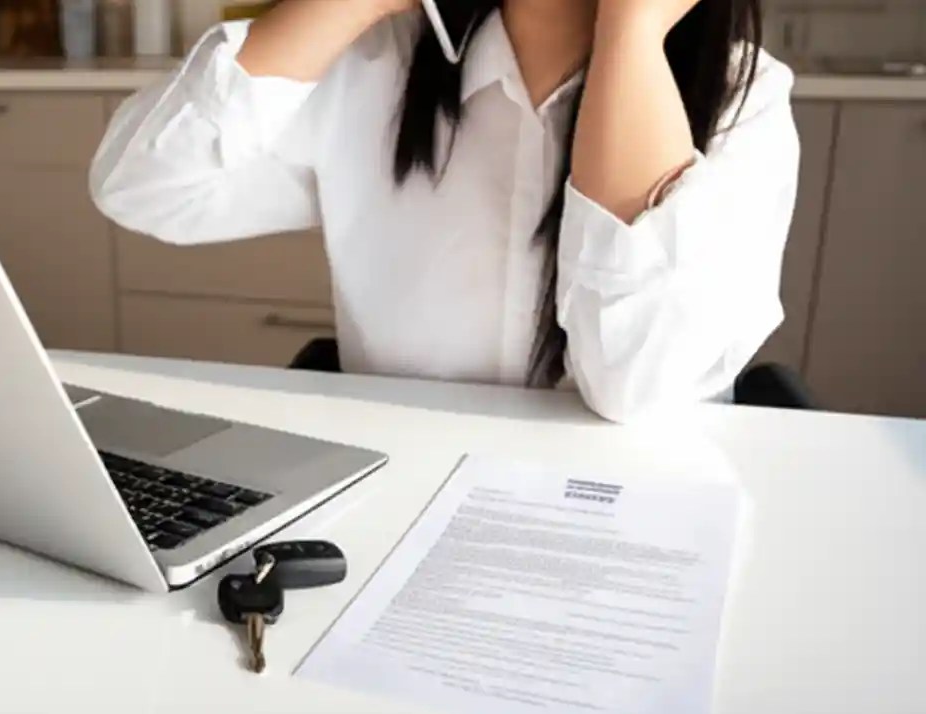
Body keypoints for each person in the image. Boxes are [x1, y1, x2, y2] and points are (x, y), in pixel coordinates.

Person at [89, 0, 798, 423]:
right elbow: (143, 187)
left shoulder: (743, 97)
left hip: (629, 532)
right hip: (397, 496)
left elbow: (634, 389)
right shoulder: (376, 67)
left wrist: (632, 34)